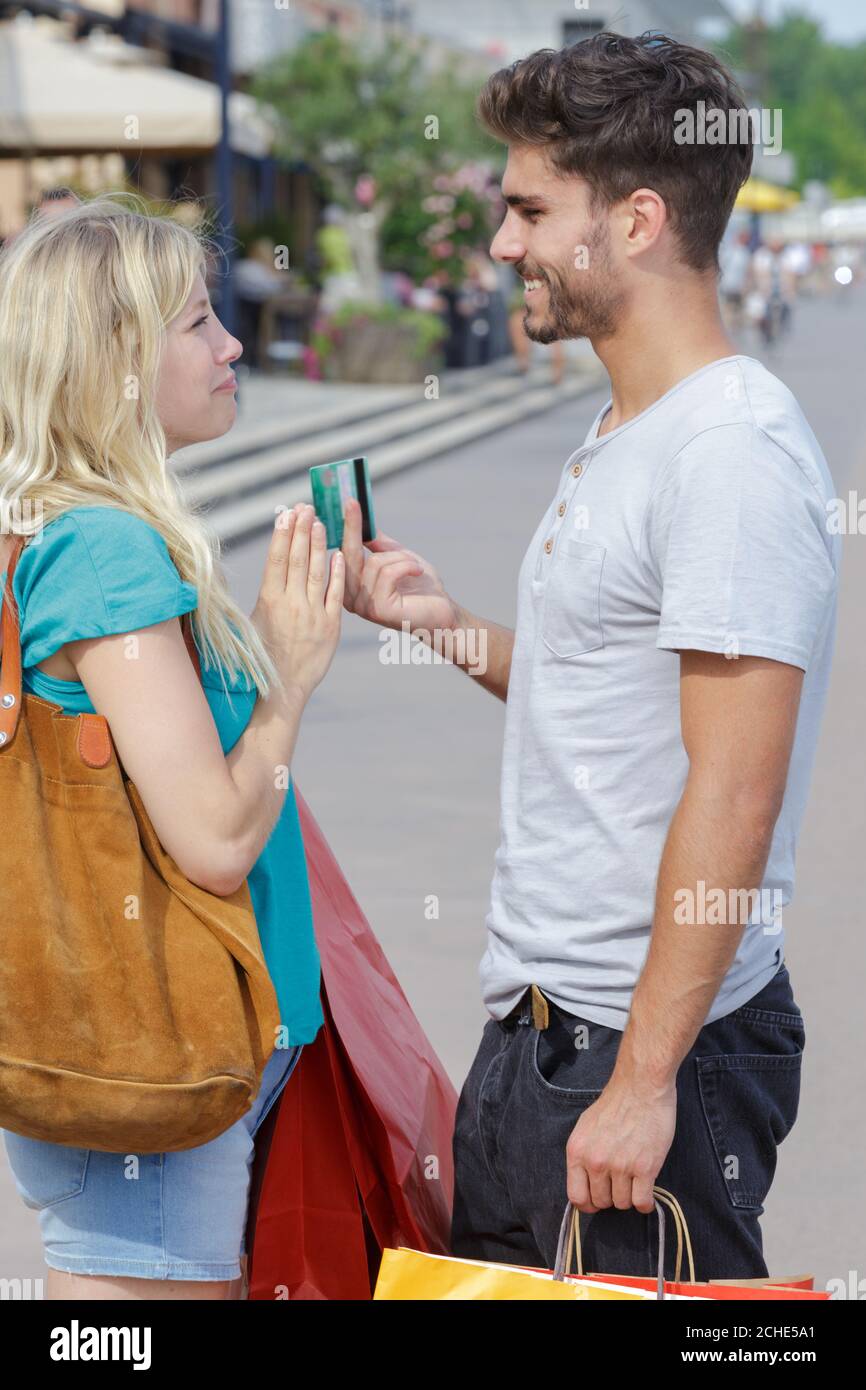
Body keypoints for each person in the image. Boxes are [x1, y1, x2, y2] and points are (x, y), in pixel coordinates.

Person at [337, 33, 839, 1280]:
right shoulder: (626, 430)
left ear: (634, 220)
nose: (501, 243)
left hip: (644, 1053)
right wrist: (433, 620)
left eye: (525, 209)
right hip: (539, 1033)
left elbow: (733, 784)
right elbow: (597, 691)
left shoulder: (726, 453)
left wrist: (644, 1078)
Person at [0, 195, 345, 1299]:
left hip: (163, 1039)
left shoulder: (72, 526)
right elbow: (211, 839)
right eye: (198, 321)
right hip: (153, 1039)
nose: (232, 342)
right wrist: (289, 672)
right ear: (118, 357)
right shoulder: (104, 549)